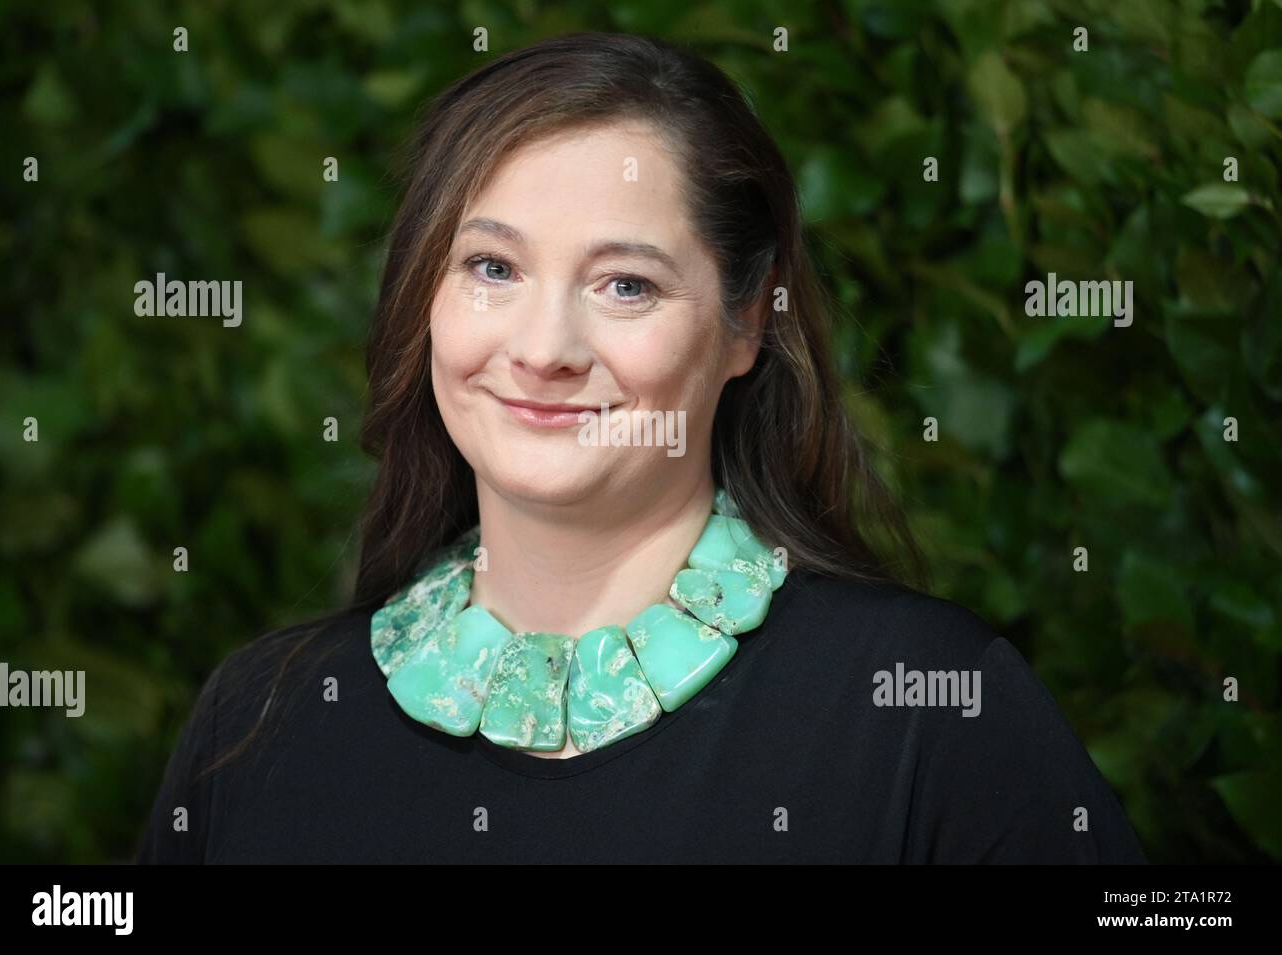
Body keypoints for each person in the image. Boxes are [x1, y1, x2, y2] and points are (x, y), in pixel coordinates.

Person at [136, 32, 1147, 864]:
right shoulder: (260, 722)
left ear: (746, 323)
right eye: (492, 267)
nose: (542, 350)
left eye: (626, 285)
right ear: (424, 297)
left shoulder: (929, 706)